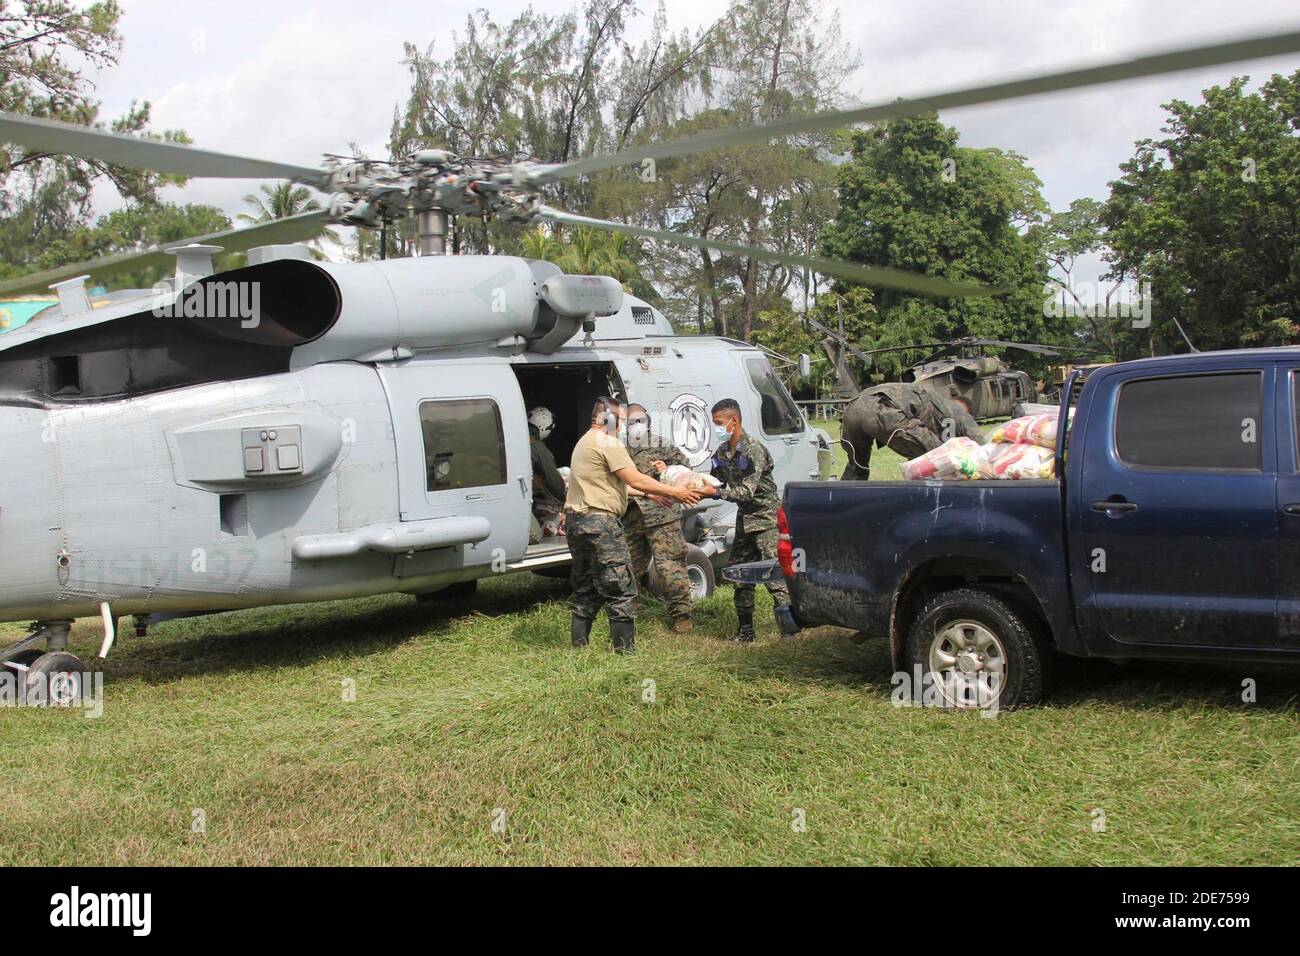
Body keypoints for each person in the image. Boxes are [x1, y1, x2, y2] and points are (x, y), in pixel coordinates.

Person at [565, 397, 701, 653]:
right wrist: (675, 493)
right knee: (620, 585)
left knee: (586, 585)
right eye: (623, 420)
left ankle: (578, 649)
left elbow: (618, 484)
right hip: (601, 522)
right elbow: (635, 479)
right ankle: (625, 653)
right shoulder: (608, 442)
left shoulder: (585, 441)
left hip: (579, 522)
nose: (626, 426)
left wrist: (654, 493)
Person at [695, 398, 789, 643]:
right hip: (744, 521)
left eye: (718, 423)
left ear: (733, 421)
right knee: (740, 575)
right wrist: (689, 481)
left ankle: (789, 630)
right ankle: (745, 631)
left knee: (775, 575)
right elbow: (715, 481)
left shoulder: (753, 449)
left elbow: (746, 492)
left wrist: (714, 493)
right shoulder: (722, 453)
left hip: (766, 519)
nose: (716, 427)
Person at [621, 404, 694, 633]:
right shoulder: (619, 448)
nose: (636, 425)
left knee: (669, 567)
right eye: (632, 421)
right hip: (631, 517)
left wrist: (668, 468)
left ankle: (682, 616)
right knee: (628, 566)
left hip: (662, 517)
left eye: (640, 420)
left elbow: (686, 472)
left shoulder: (661, 444)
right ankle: (629, 611)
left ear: (649, 422)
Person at [838, 382, 983, 481]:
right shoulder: (959, 411)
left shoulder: (934, 401)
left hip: (852, 410)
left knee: (857, 469)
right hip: (883, 410)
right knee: (939, 458)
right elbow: (983, 447)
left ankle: (839, 503)